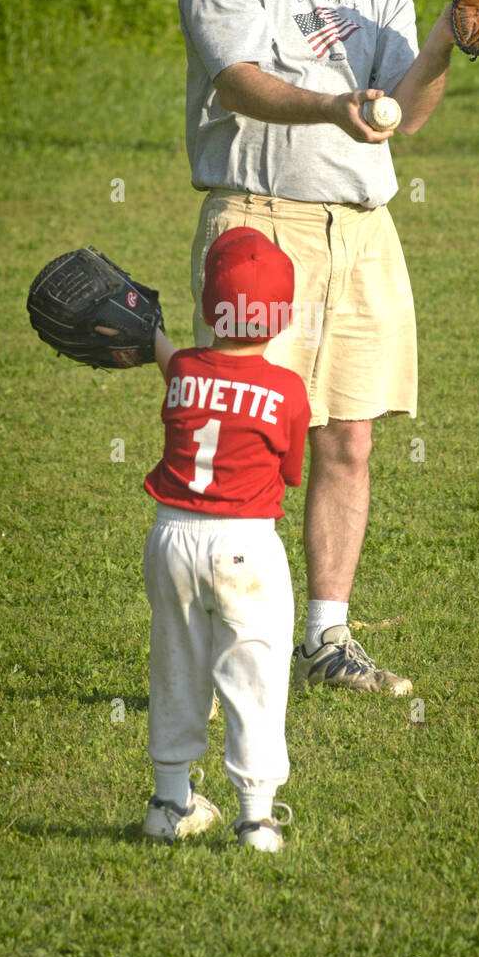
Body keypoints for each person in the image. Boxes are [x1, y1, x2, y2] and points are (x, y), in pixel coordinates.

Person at [178, 0, 456, 696]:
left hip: (364, 230)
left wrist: (451, 39)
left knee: (349, 441)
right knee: (245, 437)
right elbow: (241, 81)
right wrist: (334, 104)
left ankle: (328, 641)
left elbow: (402, 116)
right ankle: (234, 638)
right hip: (261, 222)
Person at [140, 227, 311, 850]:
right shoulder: (289, 389)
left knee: (176, 665)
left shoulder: (181, 368)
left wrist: (147, 335)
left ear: (211, 304)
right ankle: (257, 818)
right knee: (254, 674)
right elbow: (288, 473)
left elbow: (191, 371)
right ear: (283, 315)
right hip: (244, 542)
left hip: (171, 537)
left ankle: (169, 802)